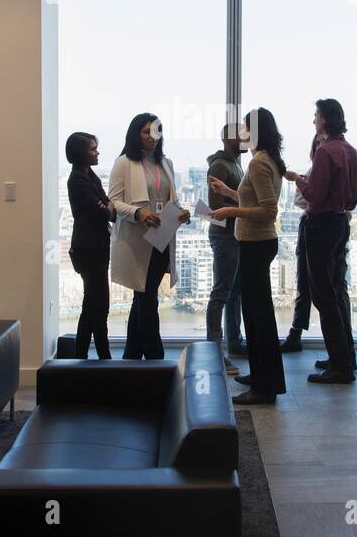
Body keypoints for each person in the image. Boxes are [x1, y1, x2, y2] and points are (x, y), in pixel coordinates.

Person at [211, 107, 286, 405]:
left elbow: (268, 210)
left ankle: (265, 387)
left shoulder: (257, 163)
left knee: (260, 317)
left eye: (244, 127)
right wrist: (230, 192)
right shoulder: (266, 160)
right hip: (256, 243)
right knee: (254, 315)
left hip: (257, 243)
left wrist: (231, 210)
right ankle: (260, 376)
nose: (241, 132)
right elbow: (254, 199)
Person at [284, 98, 357, 384]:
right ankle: (345, 357)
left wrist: (296, 179)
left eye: (316, 115)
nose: (313, 121)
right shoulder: (353, 153)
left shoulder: (325, 152)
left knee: (323, 295)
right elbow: (353, 198)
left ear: (326, 119)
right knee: (337, 290)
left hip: (321, 225)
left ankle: (340, 367)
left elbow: (314, 195)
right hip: (341, 223)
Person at [108, 113, 190, 359]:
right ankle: (155, 356)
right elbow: (113, 202)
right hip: (135, 241)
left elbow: (168, 200)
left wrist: (180, 212)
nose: (153, 136)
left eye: (157, 131)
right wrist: (138, 213)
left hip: (161, 238)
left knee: (144, 296)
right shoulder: (124, 163)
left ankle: (132, 355)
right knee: (146, 298)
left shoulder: (166, 163)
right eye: (147, 131)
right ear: (136, 134)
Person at [65, 131, 114, 359]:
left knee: (90, 306)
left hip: (96, 247)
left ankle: (80, 356)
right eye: (93, 149)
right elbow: (102, 211)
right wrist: (106, 208)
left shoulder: (89, 175)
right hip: (88, 250)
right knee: (99, 305)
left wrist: (106, 208)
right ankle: (104, 357)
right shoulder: (78, 179)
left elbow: (106, 206)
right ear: (80, 153)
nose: (97, 152)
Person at [279, 131, 326, 353]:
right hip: (318, 227)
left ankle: (296, 333)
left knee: (313, 286)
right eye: (317, 142)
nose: (319, 146)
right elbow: (301, 198)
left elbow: (301, 198)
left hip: (315, 227)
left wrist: (300, 181)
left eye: (322, 141)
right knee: (306, 284)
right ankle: (297, 333)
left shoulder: (315, 171)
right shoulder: (314, 169)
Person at [205, 124, 247, 375]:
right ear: (225, 138)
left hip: (233, 235)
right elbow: (214, 206)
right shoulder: (221, 165)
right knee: (221, 293)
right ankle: (214, 352)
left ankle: (234, 342)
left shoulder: (235, 164)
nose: (244, 138)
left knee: (234, 293)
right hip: (224, 236)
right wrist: (243, 204)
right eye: (239, 134)